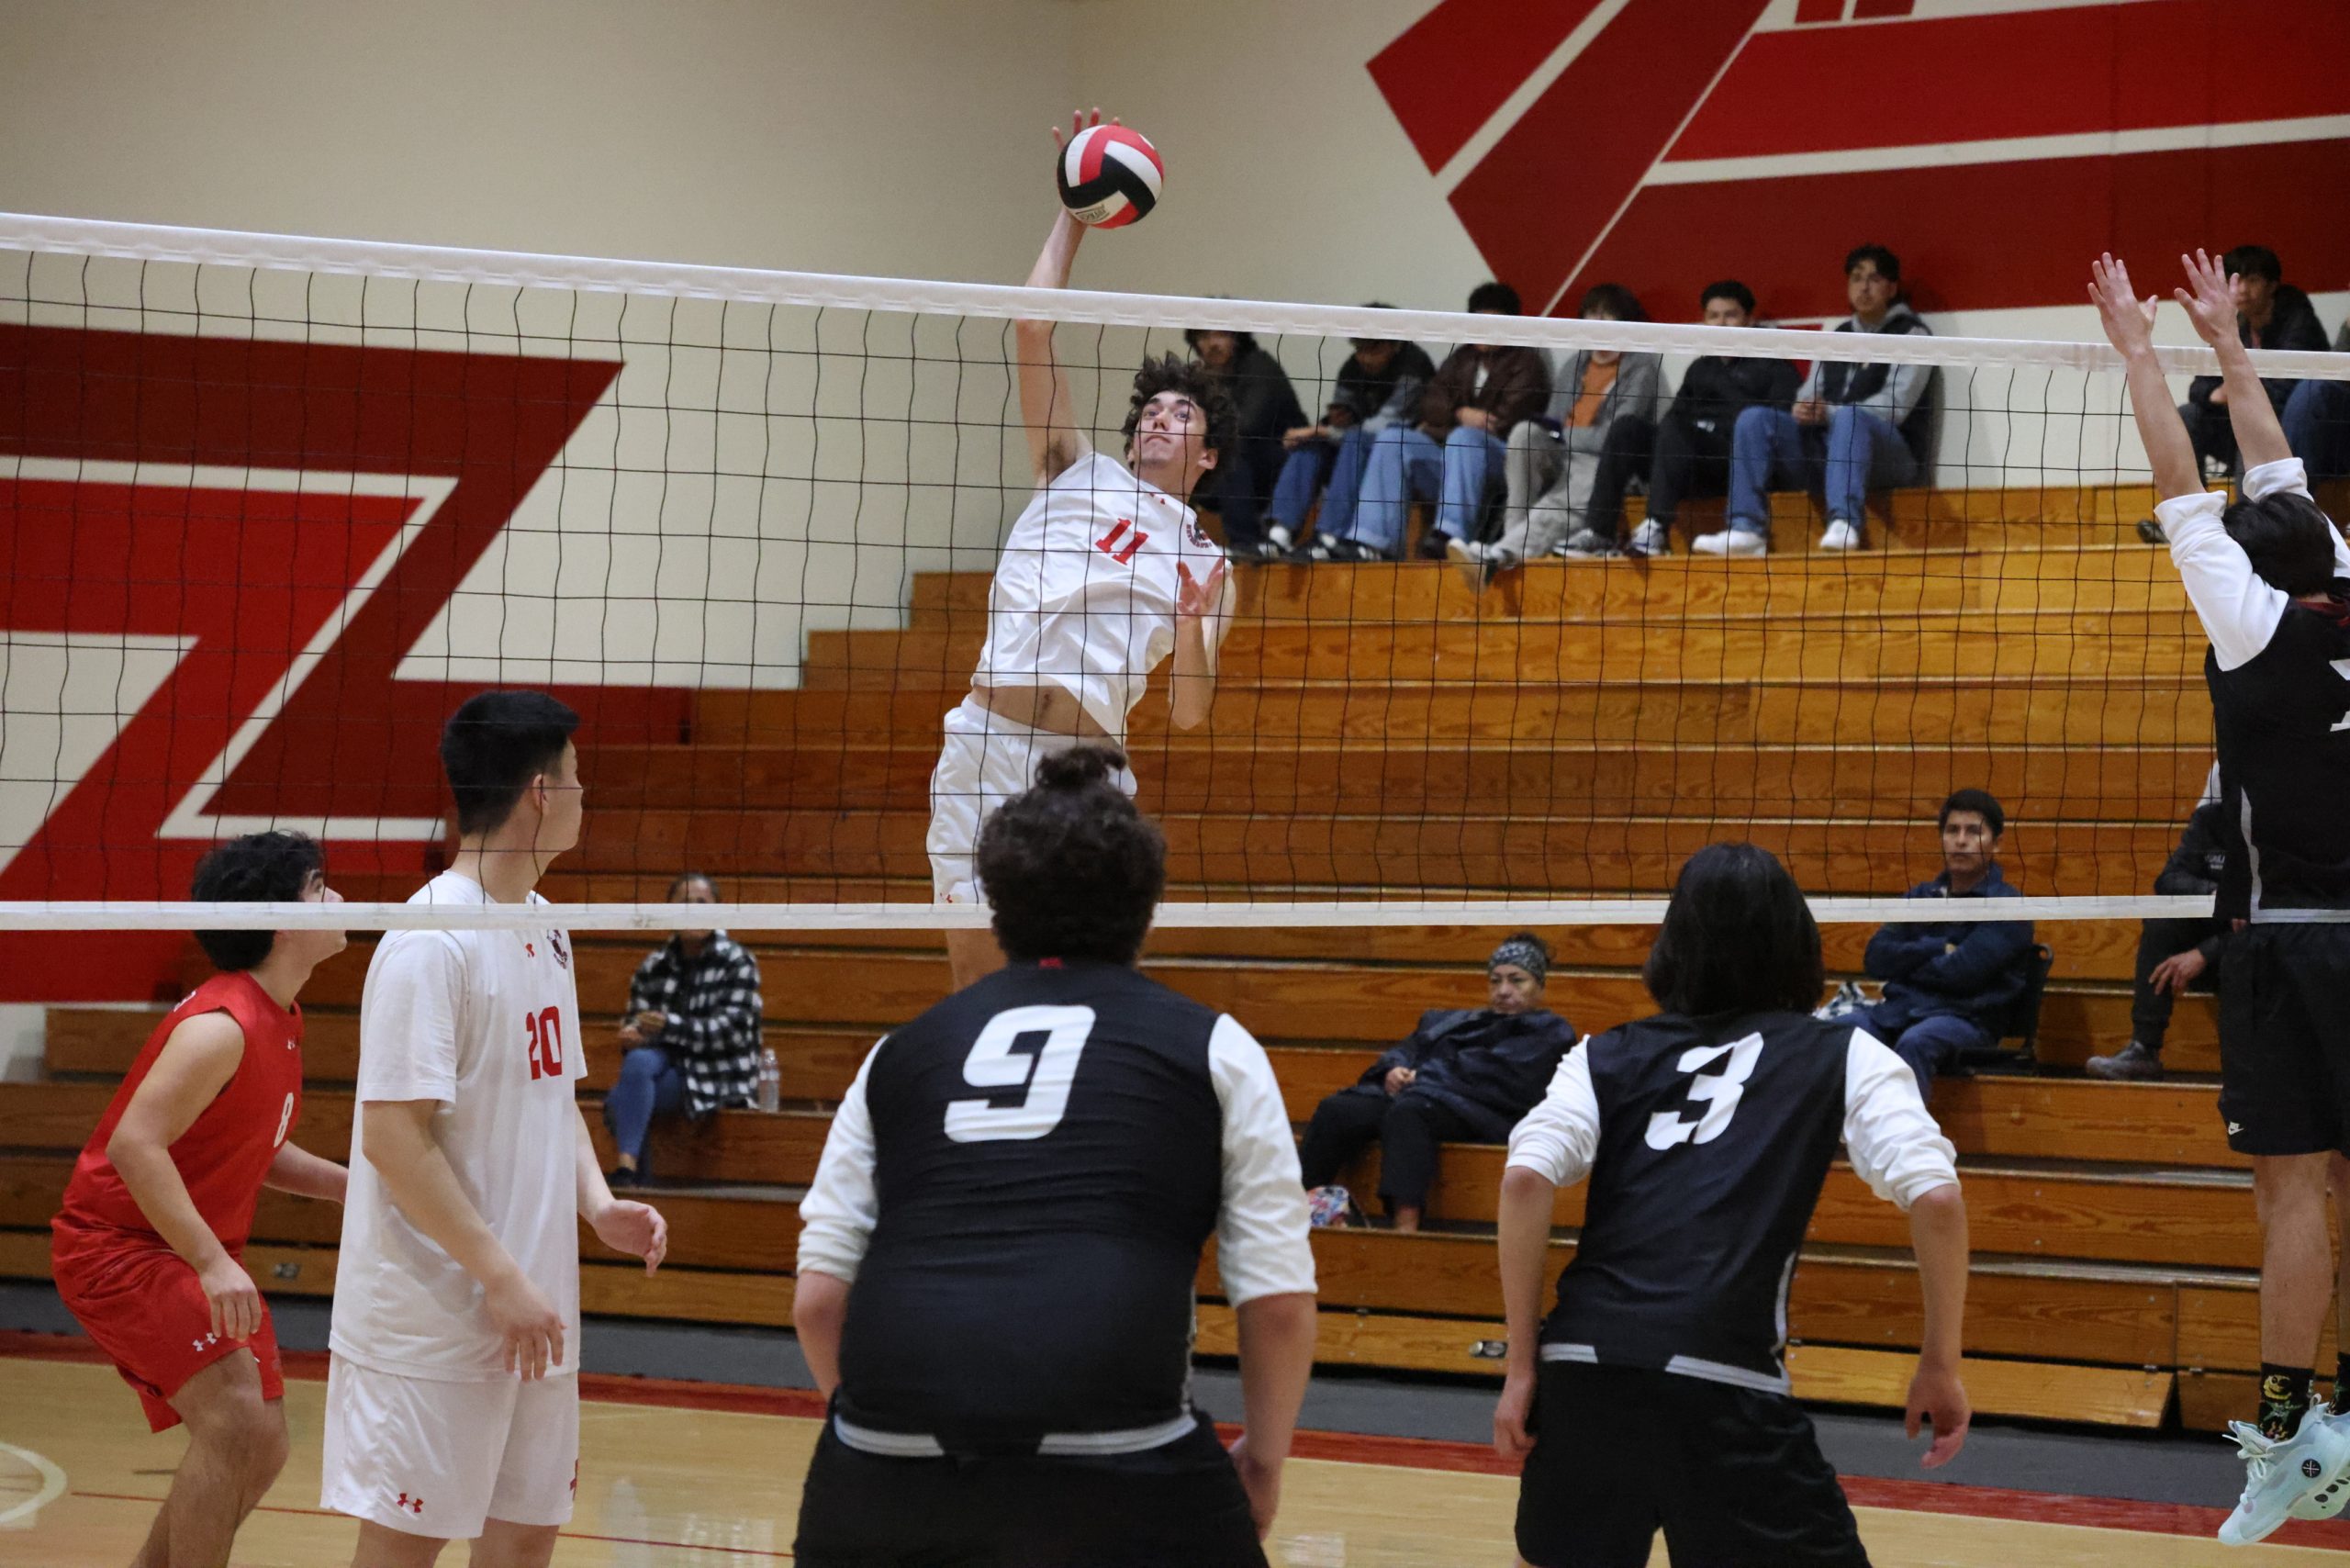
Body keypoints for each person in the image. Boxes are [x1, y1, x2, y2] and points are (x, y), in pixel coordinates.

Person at [793, 745, 1318, 1567]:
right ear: (1148, 905)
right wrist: (1263, 1463)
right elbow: (1279, 1305)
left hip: (878, 1479)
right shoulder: (1215, 1048)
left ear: (995, 906)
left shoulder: (898, 1054)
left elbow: (819, 1302)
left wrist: (882, 1443)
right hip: (1122, 1465)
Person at [1494, 843, 1968, 1568]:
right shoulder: (1847, 1053)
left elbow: (1525, 1178)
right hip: (1725, 1377)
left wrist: (1523, 1366)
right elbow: (1935, 1196)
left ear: (1674, 943)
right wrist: (1940, 1362)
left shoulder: (1602, 1052)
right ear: (1796, 940)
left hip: (1584, 1368)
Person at [2091, 249, 2350, 1544]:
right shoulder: (2338, 569)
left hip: (2289, 945)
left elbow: (2183, 477)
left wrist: (2144, 355)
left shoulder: (2245, 620)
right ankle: (2329, 1426)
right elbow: (2278, 476)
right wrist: (2232, 352)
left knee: (2291, 1194)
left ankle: (2299, 1431)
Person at [322, 690, 668, 1564]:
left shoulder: (546, 927)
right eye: (579, 778)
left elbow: (552, 1096)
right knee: (405, 1550)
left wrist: (597, 1205)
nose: (587, 797)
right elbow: (392, 1140)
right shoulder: (428, 942)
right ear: (541, 794)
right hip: (439, 1316)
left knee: (523, 1544)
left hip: (532, 1307)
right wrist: (499, 1278)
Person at [934, 108, 1240, 991]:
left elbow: (1188, 711)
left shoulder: (1209, 564)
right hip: (980, 742)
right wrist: (1075, 205)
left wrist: (1189, 627)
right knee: (972, 973)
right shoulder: (1075, 469)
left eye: (1183, 414)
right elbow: (1033, 328)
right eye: (1152, 407)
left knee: (1076, 977)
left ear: (1207, 455)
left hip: (1078, 770)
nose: (1159, 416)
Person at [49, 831, 349, 1568]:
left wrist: (359, 1191)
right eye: (321, 886)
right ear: (285, 919)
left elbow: (258, 1149)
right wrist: (212, 1262)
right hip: (119, 1248)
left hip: (178, 1249)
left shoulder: (278, 1016)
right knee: (236, 1420)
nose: (340, 899)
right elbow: (134, 1145)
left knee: (266, 1442)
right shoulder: (220, 1026)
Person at [1296, 934, 1575, 1231]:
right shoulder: (1452, 1021)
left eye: (1516, 980)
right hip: (1423, 1094)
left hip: (1483, 1112)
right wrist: (1395, 1070)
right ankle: (1296, 1212)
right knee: (1337, 1110)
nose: (1503, 991)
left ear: (1539, 986)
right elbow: (1406, 1049)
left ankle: (1406, 1230)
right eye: (1495, 981)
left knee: (1411, 1111)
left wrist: (1423, 1077)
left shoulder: (1550, 1032)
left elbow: (1492, 1075)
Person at [1695, 244, 1934, 556]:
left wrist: (1831, 414)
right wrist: (1804, 407)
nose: (1863, 287)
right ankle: (1746, 528)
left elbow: (1896, 406)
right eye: (1856, 278)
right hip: (1829, 450)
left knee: (1850, 416)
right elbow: (1811, 388)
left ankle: (1845, 521)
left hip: (1889, 456)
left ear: (1891, 288)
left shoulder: (1913, 334)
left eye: (1873, 279)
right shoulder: (1837, 335)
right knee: (1754, 419)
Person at [1314, 282, 1549, 562]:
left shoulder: (1528, 362)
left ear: (1510, 323)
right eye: (1478, 320)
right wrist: (1460, 414)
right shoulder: (1462, 359)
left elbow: (1502, 422)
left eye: (1492, 320)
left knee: (1466, 439)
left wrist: (1448, 424)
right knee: (1394, 439)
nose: (1483, 328)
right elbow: (1430, 403)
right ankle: (1374, 543)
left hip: (1503, 462)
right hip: (1454, 464)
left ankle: (1449, 534)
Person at [1449, 284, 1662, 582]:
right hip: (1562, 455)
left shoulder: (1642, 368)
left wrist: (1565, 434)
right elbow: (1550, 423)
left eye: (1607, 317)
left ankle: (1502, 553)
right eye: (1592, 316)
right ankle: (1511, 540)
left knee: (1563, 497)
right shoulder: (1575, 364)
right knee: (1525, 432)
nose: (1598, 325)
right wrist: (1560, 434)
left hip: (1603, 463)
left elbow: (1613, 437)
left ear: (1625, 323)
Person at [1596, 280, 1802, 560]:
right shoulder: (1700, 368)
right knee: (1627, 428)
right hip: (1692, 466)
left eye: (1730, 315)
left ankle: (1656, 525)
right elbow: (1674, 421)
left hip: (1735, 468)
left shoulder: (1773, 365)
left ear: (1749, 320)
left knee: (1678, 429)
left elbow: (1778, 427)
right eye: (1713, 316)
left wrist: (1712, 426)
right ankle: (1598, 532)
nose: (1721, 323)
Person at [1853, 789, 2035, 1103]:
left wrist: (1907, 963)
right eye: (1952, 831)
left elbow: (1961, 973)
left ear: (1997, 843)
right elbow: (1875, 957)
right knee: (1843, 1032)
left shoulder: (2009, 907)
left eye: (1973, 832)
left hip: (1966, 1021)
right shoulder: (1920, 898)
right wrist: (1938, 948)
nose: (1961, 840)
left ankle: (1905, 1147)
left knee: (1916, 1042)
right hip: (1901, 1011)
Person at [604, 871, 766, 1186]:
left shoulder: (737, 961)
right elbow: (635, 1020)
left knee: (619, 1100)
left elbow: (729, 1033)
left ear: (718, 910)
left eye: (701, 903)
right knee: (636, 1064)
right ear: (669, 911)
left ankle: (636, 1181)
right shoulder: (654, 965)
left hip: (717, 1074)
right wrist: (632, 1035)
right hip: (664, 1068)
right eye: (684, 903)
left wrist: (667, 1027)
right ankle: (630, 1174)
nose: (693, 910)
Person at [1258, 313, 1436, 560]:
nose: (1365, 357)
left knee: (1352, 439)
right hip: (1355, 448)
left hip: (1393, 456)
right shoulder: (1352, 366)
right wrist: (1334, 422)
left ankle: (1329, 534)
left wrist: (1322, 430)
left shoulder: (1414, 366)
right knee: (1312, 446)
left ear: (1394, 345)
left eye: (1374, 349)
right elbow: (1343, 414)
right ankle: (1280, 533)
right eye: (1360, 349)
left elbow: (1384, 426)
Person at [2085, 783, 2229, 1083]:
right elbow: (2168, 880)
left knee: (2259, 933)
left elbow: (2269, 915)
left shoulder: (2277, 830)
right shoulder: (2209, 819)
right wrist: (2218, 893)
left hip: (2259, 948)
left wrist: (2204, 953)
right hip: (2218, 937)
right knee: (2162, 920)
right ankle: (2144, 1049)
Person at [2176, 246, 2329, 481]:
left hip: (2291, 433)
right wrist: (2218, 392)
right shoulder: (2235, 324)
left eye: (2253, 280)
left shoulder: (2299, 321)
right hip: (2243, 426)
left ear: (2272, 285)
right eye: (2235, 281)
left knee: (2250, 429)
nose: (2243, 290)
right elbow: (2199, 388)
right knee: (2188, 415)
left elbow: (2287, 390)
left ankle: (2252, 517)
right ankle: (2194, 508)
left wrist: (2237, 391)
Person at [1185, 325, 1306, 559]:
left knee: (1230, 450)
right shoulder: (1201, 377)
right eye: (1203, 336)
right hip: (1235, 477)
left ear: (1237, 338)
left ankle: (1246, 542)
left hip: (1281, 467)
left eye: (1220, 333)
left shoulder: (1260, 367)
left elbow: (1247, 426)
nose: (1212, 343)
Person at [2280, 308, 2350, 486]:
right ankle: (2295, 496)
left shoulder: (2299, 323)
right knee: (2312, 390)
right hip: (2337, 438)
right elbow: (2336, 374)